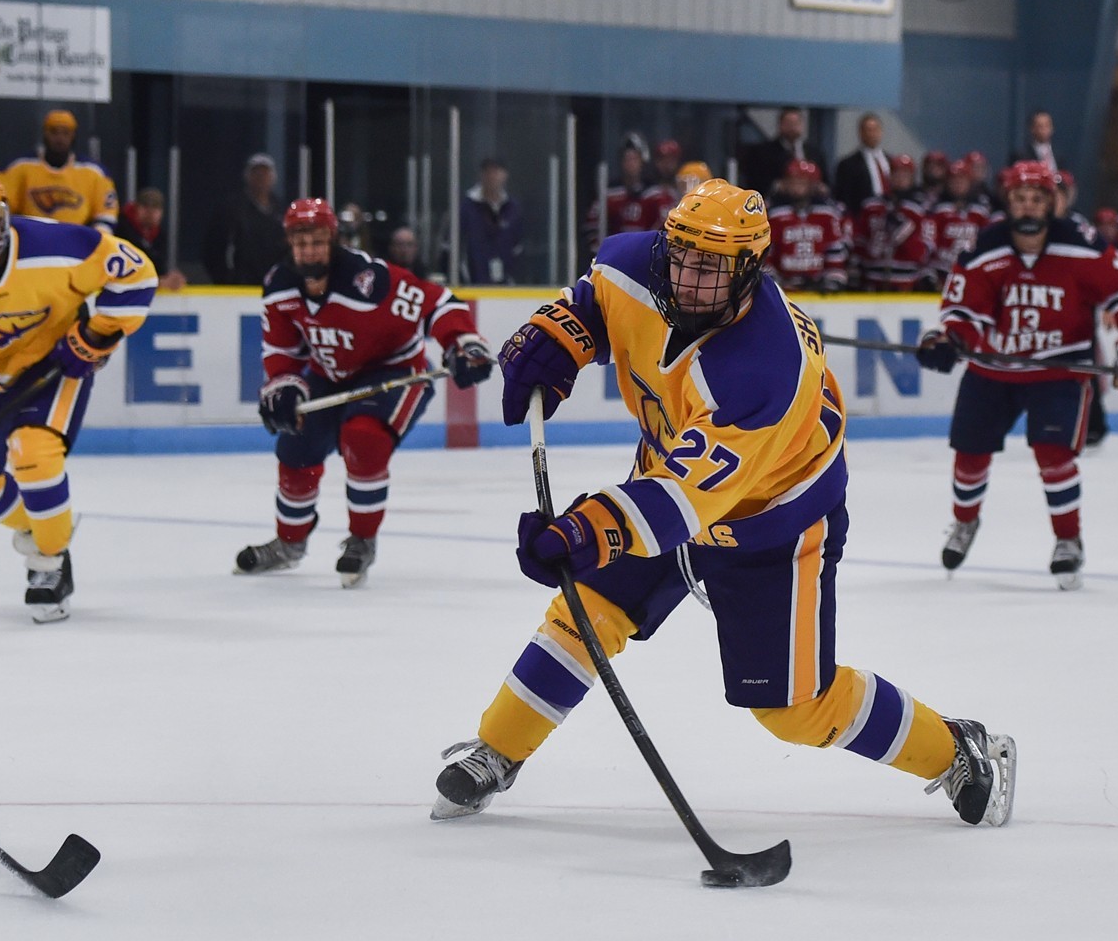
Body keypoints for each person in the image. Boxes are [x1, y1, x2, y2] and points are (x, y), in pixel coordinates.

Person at [430, 178, 1017, 834]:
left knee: (796, 710)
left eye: (711, 266)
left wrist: (583, 530)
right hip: (667, 476)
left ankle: (955, 745)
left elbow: (685, 501)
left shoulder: (761, 371)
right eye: (681, 254)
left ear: (748, 270)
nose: (687, 276)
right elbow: (591, 301)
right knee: (584, 611)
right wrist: (559, 335)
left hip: (773, 523)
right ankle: (498, 748)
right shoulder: (630, 262)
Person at [0, 168, 157, 621]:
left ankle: (49, 564)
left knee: (33, 453)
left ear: (6, 215)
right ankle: (46, 525)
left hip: (55, 365)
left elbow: (138, 274)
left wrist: (96, 334)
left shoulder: (58, 246)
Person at [234, 198, 494, 587]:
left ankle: (362, 539)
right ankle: (289, 544)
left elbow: (436, 301)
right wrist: (284, 385)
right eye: (301, 242)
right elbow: (283, 352)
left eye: (318, 241)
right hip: (331, 374)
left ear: (333, 239)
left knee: (364, 438)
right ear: (289, 243)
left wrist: (463, 343)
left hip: (395, 370)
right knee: (294, 445)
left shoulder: (368, 281)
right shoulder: (279, 286)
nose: (309, 250)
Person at [916, 161, 1118, 588]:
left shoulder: (1083, 244)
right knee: (969, 455)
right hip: (992, 367)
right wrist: (950, 341)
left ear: (1052, 203)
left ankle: (1068, 540)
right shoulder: (985, 246)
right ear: (1009, 203)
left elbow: (1117, 296)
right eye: (1020, 198)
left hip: (1058, 368)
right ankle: (965, 522)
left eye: (1037, 198)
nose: (1028, 206)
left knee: (1054, 454)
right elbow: (963, 311)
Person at [2, 109, 117, 232]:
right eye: (54, 132)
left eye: (65, 133)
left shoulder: (94, 172)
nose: (59, 138)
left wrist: (90, 242)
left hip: (77, 242)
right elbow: (2, 210)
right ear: (45, 134)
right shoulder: (19, 167)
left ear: (73, 136)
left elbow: (107, 216)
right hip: (32, 239)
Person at [849, 154, 934, 291]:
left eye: (905, 175)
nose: (900, 179)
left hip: (906, 281)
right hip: (873, 280)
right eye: (896, 173)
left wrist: (903, 234)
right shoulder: (872, 206)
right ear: (890, 176)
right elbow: (860, 240)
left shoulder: (921, 210)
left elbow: (926, 248)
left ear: (912, 178)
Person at [764, 159, 849, 292]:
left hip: (820, 289)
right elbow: (765, 256)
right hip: (783, 288)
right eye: (794, 180)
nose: (798, 186)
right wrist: (774, 284)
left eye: (803, 181)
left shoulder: (827, 214)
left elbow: (835, 254)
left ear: (815, 184)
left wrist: (831, 282)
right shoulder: (774, 215)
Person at [202, 152, 286, 285]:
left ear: (272, 177)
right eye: (256, 173)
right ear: (247, 177)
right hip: (239, 288)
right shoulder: (231, 209)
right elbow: (213, 249)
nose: (261, 178)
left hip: (272, 287)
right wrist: (225, 281)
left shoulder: (282, 211)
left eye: (265, 173)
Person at [584, 136, 661, 257]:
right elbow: (592, 226)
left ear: (643, 161)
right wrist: (602, 253)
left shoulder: (655, 194)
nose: (630, 164)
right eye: (627, 159)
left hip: (646, 259)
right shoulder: (610, 193)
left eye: (634, 158)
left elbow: (663, 227)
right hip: (616, 258)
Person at [927, 158, 995, 287]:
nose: (958, 184)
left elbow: (987, 242)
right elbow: (930, 242)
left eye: (962, 180)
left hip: (971, 271)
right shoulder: (938, 210)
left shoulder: (980, 212)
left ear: (970, 183)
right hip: (941, 272)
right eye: (954, 180)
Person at [459, 157, 524, 284]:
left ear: (505, 176)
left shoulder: (513, 208)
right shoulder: (465, 207)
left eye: (497, 172)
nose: (492, 177)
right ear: (481, 175)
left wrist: (514, 277)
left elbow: (518, 248)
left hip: (506, 285)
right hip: (472, 283)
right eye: (488, 172)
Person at [738, 106, 826, 196]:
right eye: (788, 123)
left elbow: (826, 181)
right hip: (776, 202)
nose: (792, 127)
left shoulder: (815, 153)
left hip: (812, 202)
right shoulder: (762, 153)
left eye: (796, 123)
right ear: (780, 125)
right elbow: (755, 181)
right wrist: (778, 186)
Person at [113, 186, 186, 290]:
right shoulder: (120, 228)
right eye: (145, 206)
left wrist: (168, 278)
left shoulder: (159, 236)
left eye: (155, 207)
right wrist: (159, 282)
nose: (150, 212)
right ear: (136, 208)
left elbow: (159, 268)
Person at [832, 112, 890, 215]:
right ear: (860, 133)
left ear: (881, 132)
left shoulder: (890, 161)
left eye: (875, 130)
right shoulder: (848, 165)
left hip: (888, 215)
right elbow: (844, 197)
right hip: (861, 216)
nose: (872, 134)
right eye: (868, 130)